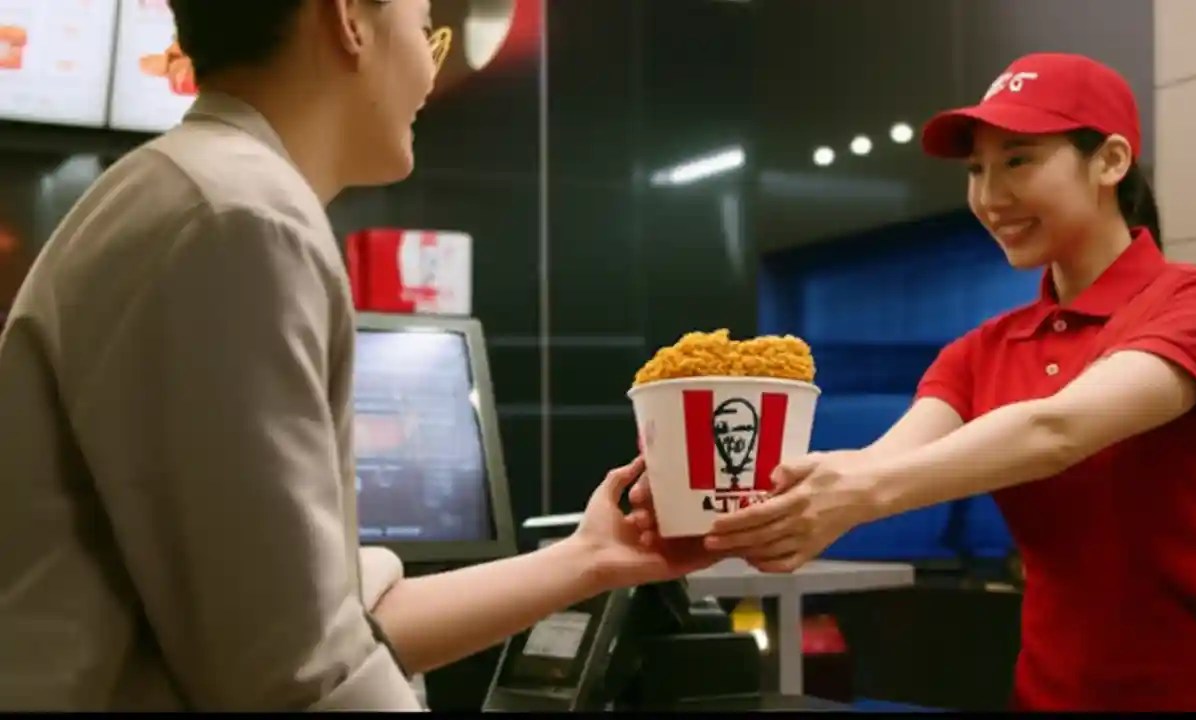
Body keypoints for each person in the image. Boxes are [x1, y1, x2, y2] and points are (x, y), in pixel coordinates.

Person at [0, 0, 713, 711]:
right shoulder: (241, 218)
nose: (431, 69)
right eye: (425, 26)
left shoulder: (200, 191)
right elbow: (298, 678)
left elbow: (315, 632)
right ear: (348, 18)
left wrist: (593, 557)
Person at [631, 52, 1196, 711]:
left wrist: (852, 496)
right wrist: (731, 509)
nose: (989, 197)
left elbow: (1056, 430)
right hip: (1049, 695)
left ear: (1110, 162)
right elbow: (879, 464)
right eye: (976, 170)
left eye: (1018, 160)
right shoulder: (979, 352)